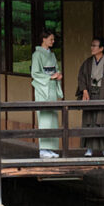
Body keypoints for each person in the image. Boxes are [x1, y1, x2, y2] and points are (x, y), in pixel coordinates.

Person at [31, 30, 63, 158]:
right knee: (44, 119)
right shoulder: (37, 54)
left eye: (53, 39)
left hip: (52, 88)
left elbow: (56, 68)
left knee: (53, 119)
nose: (53, 41)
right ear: (43, 39)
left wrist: (58, 74)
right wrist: (50, 77)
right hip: (42, 89)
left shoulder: (52, 55)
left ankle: (51, 148)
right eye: (51, 39)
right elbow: (35, 73)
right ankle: (43, 149)